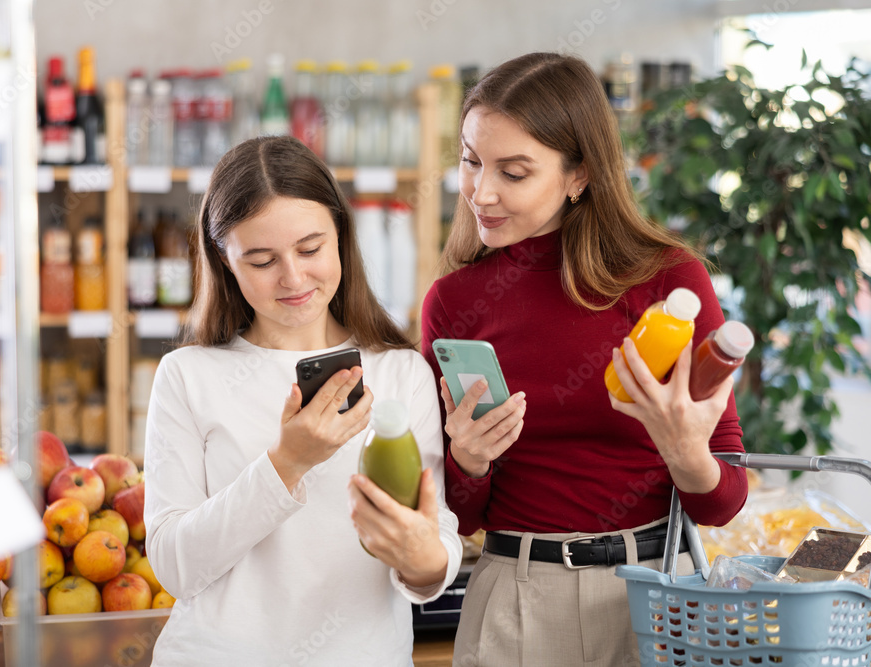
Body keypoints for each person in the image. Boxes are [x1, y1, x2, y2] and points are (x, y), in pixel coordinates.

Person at [420, 52, 748, 666]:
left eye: (513, 172)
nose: (480, 192)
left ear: (579, 175)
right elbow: (458, 518)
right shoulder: (454, 302)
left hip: (658, 597)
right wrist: (466, 459)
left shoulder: (670, 286)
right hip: (516, 602)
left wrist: (684, 452)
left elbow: (723, 502)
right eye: (470, 161)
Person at [143, 136, 462, 666]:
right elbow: (176, 568)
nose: (293, 278)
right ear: (225, 262)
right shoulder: (187, 375)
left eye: (311, 249)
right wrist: (287, 461)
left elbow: (435, 545)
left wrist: (424, 559)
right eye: (262, 260)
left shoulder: (400, 371)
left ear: (341, 236)